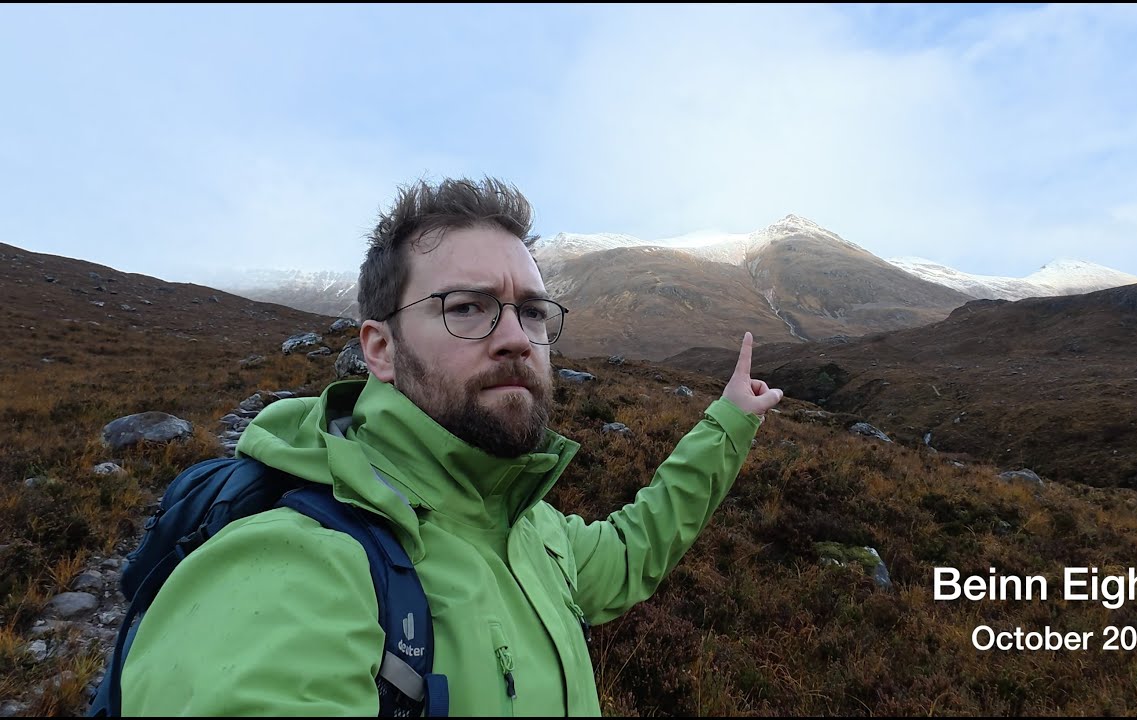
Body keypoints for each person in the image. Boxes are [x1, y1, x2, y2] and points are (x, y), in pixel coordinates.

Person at [119, 174, 783, 716]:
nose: (518, 336)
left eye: (532, 311)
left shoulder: (532, 530)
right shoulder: (299, 564)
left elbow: (634, 548)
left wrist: (727, 422)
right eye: (468, 307)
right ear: (380, 348)